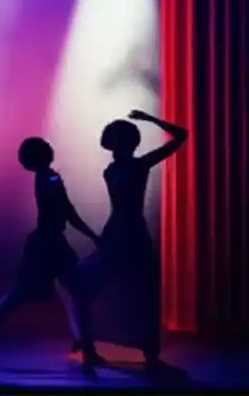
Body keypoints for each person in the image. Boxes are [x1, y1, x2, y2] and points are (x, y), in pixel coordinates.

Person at [0, 137, 102, 370]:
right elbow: (68, 211)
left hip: (48, 242)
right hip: (49, 243)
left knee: (33, 294)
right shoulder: (49, 179)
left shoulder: (47, 178)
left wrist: (90, 234)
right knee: (68, 293)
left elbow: (66, 211)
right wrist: (92, 235)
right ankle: (87, 347)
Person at [82, 109, 188, 374]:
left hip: (121, 232)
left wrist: (149, 120)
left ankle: (91, 346)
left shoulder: (120, 169)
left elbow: (181, 136)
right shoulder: (133, 167)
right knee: (139, 292)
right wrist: (149, 120)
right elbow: (180, 136)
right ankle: (140, 353)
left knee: (122, 290)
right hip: (128, 232)